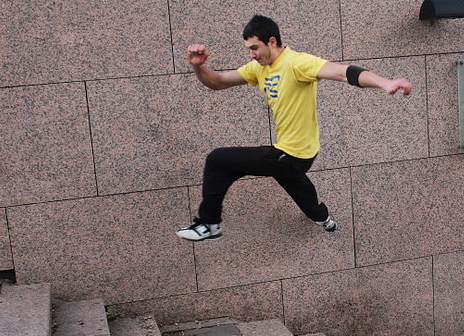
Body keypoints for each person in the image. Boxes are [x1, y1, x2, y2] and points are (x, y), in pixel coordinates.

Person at [176, 15, 413, 241]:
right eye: (248, 49)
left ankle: (208, 224)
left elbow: (343, 73)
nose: (251, 55)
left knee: (219, 160)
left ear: (272, 41)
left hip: (294, 153)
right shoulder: (259, 68)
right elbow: (217, 82)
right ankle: (324, 219)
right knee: (297, 186)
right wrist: (199, 67)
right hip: (290, 154)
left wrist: (385, 83)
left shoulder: (297, 62)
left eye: (255, 48)